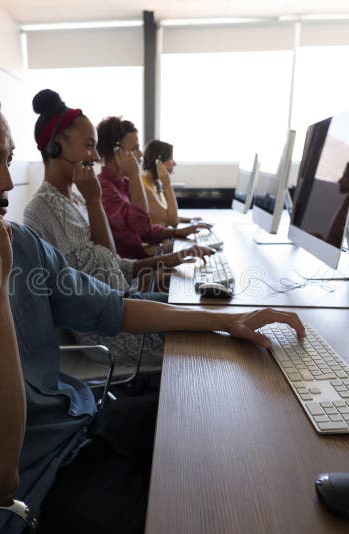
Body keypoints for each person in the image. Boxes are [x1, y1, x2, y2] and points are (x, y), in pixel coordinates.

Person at [0, 56, 306, 534]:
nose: (5, 184)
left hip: (84, 428)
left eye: (7, 159)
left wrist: (225, 321)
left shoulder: (19, 242)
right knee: (220, 513)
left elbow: (111, 307)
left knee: (242, 440)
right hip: (34, 494)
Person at [23, 89, 212, 367]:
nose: (94, 157)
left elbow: (109, 261)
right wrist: (94, 199)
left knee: (204, 305)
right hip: (110, 331)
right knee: (208, 339)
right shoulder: (41, 210)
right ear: (55, 147)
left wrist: (169, 258)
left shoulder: (74, 198)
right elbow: (89, 287)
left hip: (127, 303)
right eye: (88, 146)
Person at [96, 117, 210, 259]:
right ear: (117, 153)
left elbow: (147, 231)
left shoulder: (122, 184)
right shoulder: (104, 190)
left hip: (142, 262)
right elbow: (140, 225)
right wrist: (134, 174)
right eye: (135, 148)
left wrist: (176, 233)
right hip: (133, 272)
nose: (141, 154)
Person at [140, 140, 198, 227]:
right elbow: (172, 221)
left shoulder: (155, 184)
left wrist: (191, 220)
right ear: (158, 162)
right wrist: (167, 184)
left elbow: (166, 214)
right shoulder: (144, 188)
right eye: (171, 159)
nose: (174, 163)